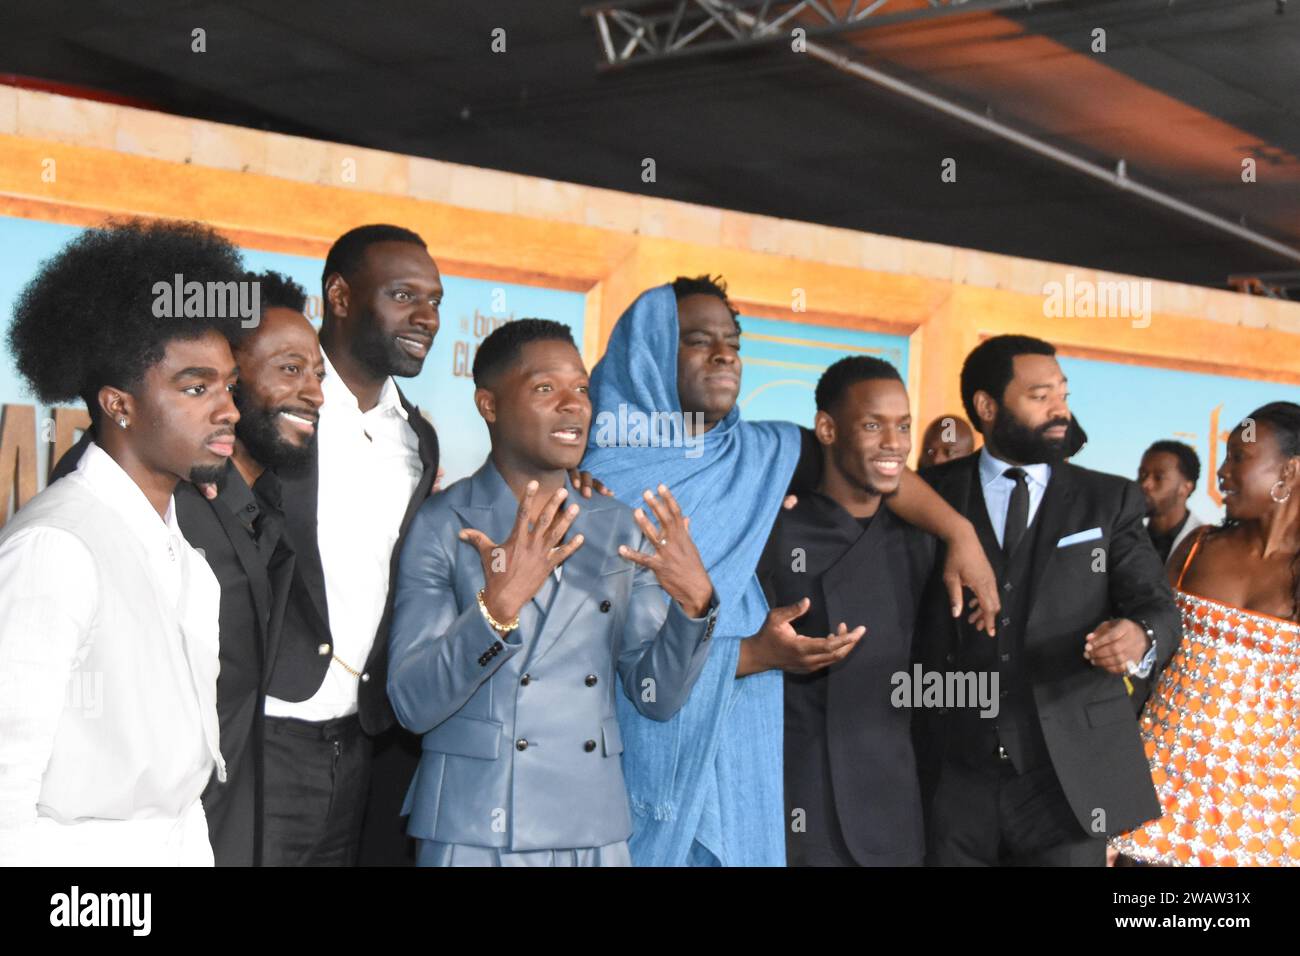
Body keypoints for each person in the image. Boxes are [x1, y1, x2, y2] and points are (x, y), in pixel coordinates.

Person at [581, 276, 1000, 866]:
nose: (725, 354)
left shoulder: (763, 453)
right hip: (638, 749)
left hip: (747, 755)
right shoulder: (595, 478)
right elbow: (597, 657)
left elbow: (875, 469)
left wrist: (960, 533)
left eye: (733, 340)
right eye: (699, 341)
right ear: (648, 353)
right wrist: (754, 653)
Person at [388, 319, 719, 866]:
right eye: (546, 389)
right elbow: (412, 704)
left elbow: (657, 699)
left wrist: (693, 608)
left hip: (593, 829)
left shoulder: (619, 526)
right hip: (476, 824)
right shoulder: (443, 522)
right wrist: (496, 611)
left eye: (582, 390)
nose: (574, 406)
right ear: (488, 405)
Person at [48, 270, 324, 866]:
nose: (314, 392)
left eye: (317, 373)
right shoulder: (114, 496)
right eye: (289, 369)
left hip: (218, 822)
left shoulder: (263, 497)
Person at [0, 219, 244, 865]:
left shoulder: (184, 556)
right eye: (196, 388)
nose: (229, 411)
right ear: (119, 404)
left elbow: (180, 796)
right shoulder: (56, 549)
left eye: (229, 385)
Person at [915, 334, 1180, 866]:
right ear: (988, 407)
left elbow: (1157, 606)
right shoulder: (933, 493)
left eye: (1063, 393)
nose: (1060, 409)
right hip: (952, 777)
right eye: (1040, 396)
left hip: (1067, 779)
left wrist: (1139, 635)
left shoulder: (1109, 499)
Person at [267, 224, 442, 866]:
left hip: (359, 741)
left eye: (436, 302)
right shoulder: (272, 404)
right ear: (340, 296)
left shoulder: (417, 439)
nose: (426, 317)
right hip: (258, 729)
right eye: (404, 295)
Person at [757, 356, 935, 866]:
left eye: (903, 425)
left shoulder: (925, 540)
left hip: (893, 808)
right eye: (873, 425)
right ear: (827, 429)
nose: (894, 442)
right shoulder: (776, 526)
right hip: (793, 800)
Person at [1111, 402, 1300, 866]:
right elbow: (1149, 664)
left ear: (1290, 471)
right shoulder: (1198, 549)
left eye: (1239, 457)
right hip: (1153, 795)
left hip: (1262, 818)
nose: (1221, 471)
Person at [1138, 439, 1205, 565]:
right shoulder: (1124, 537)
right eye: (1142, 474)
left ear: (1185, 488)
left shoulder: (1207, 546)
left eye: (1158, 477)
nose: (1145, 484)